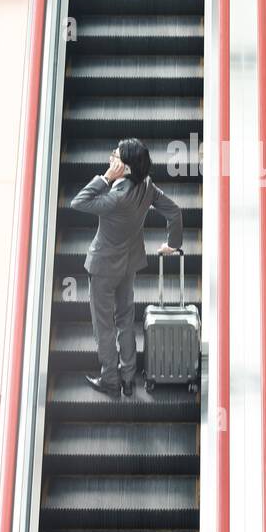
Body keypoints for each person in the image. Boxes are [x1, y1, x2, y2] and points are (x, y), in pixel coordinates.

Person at [71, 139, 183, 397]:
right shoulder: (146, 185)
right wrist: (172, 244)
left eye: (116, 157)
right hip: (129, 264)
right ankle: (129, 377)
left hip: (103, 268)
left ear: (126, 168)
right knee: (125, 319)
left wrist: (106, 177)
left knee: (104, 326)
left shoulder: (116, 197)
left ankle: (110, 379)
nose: (112, 158)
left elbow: (79, 202)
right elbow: (174, 212)